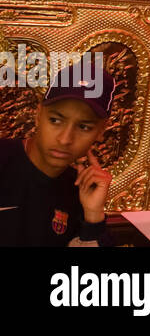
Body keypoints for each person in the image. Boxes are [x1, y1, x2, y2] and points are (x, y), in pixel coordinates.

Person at [0, 58, 114, 247]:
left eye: (84, 127)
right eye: (55, 120)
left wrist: (93, 216)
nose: (65, 139)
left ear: (100, 132)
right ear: (38, 115)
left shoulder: (80, 192)